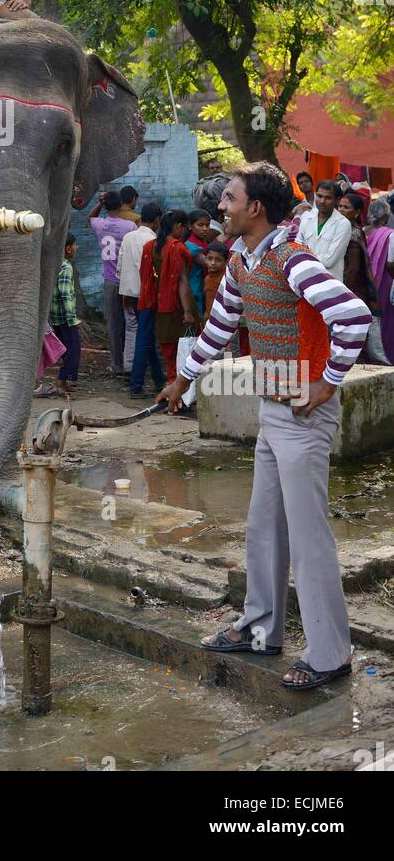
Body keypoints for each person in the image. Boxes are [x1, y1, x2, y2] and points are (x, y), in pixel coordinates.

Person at [161, 162, 371, 691]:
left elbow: (353, 314)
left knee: (308, 537)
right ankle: (260, 630)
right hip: (275, 407)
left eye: (229, 198)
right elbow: (220, 325)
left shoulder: (291, 260)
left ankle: (329, 654)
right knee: (263, 529)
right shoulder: (240, 260)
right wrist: (184, 379)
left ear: (255, 208)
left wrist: (327, 382)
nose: (221, 207)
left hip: (303, 411)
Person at [88, 189, 136, 378]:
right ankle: (130, 362)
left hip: (110, 281)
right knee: (131, 323)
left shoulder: (100, 225)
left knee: (114, 325)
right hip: (127, 280)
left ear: (106, 206)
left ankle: (116, 365)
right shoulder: (130, 226)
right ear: (122, 204)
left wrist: (99, 203)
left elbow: (89, 217)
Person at [338, 192, 389, 364]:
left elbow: (353, 269)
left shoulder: (353, 233)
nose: (342, 210)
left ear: (358, 212)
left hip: (352, 290)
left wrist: (342, 294)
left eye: (346, 207)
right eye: (340, 206)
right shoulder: (342, 229)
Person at [151, 210, 197, 389]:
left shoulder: (154, 246)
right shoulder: (177, 248)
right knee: (183, 351)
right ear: (179, 227)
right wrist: (187, 311)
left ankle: (171, 389)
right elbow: (182, 280)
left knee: (169, 352)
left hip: (161, 304)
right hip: (177, 305)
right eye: (186, 228)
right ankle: (179, 394)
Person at [118, 201, 161, 383]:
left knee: (146, 334)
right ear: (157, 220)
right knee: (144, 337)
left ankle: (158, 378)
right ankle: (136, 383)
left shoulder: (128, 237)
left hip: (131, 292)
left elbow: (120, 266)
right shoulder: (153, 241)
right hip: (146, 293)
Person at [297, 179, 351, 281]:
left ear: (337, 200)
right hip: (305, 280)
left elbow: (329, 261)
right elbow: (296, 248)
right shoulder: (306, 218)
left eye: (328, 198)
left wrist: (304, 255)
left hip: (329, 283)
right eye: (319, 196)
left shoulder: (343, 224)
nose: (322, 201)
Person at [48, 234, 82, 396]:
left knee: (65, 349)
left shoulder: (53, 264)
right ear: (68, 248)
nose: (77, 248)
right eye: (75, 245)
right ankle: (61, 381)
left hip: (55, 316)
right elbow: (65, 293)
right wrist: (72, 319)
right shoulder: (66, 267)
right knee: (73, 349)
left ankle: (65, 380)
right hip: (65, 318)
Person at [366, 197, 394, 363]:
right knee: (387, 324)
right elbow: (391, 263)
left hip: (367, 284)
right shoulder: (390, 235)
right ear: (385, 216)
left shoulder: (362, 231)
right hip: (385, 282)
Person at [185, 210, 212, 317]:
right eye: (200, 225)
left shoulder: (202, 242)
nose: (205, 229)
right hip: (195, 287)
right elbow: (208, 264)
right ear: (190, 226)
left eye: (207, 225)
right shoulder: (190, 245)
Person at [202, 241, 230, 322]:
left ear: (226, 262)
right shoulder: (207, 279)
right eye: (210, 259)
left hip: (222, 320)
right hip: (210, 319)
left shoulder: (226, 278)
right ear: (205, 259)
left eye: (218, 260)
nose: (213, 263)